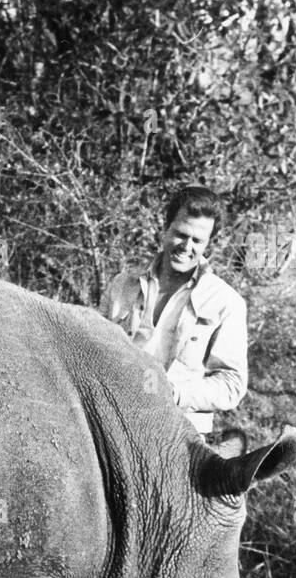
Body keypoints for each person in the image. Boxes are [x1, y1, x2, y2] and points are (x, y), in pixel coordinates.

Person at [98, 185, 247, 436]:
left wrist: (176, 394)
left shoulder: (225, 302)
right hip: (111, 423)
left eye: (197, 241)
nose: (186, 246)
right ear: (165, 229)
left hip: (177, 435)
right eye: (180, 234)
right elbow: (92, 348)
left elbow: (232, 384)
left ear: (208, 244)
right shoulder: (123, 284)